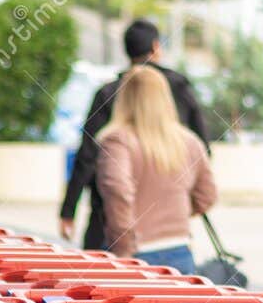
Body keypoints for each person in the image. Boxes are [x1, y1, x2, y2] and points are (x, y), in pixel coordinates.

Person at [60, 19, 209, 250]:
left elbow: (86, 157)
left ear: (127, 50)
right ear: (156, 47)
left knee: (101, 284)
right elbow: (203, 150)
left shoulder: (107, 93)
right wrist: (177, 205)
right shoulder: (179, 87)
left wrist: (68, 210)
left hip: (106, 224)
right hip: (169, 237)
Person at [94, 65, 216, 275]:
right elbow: (207, 195)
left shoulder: (117, 141)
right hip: (180, 251)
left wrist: (123, 248)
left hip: (135, 254)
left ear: (124, 99)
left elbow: (118, 192)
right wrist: (175, 213)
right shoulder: (189, 141)